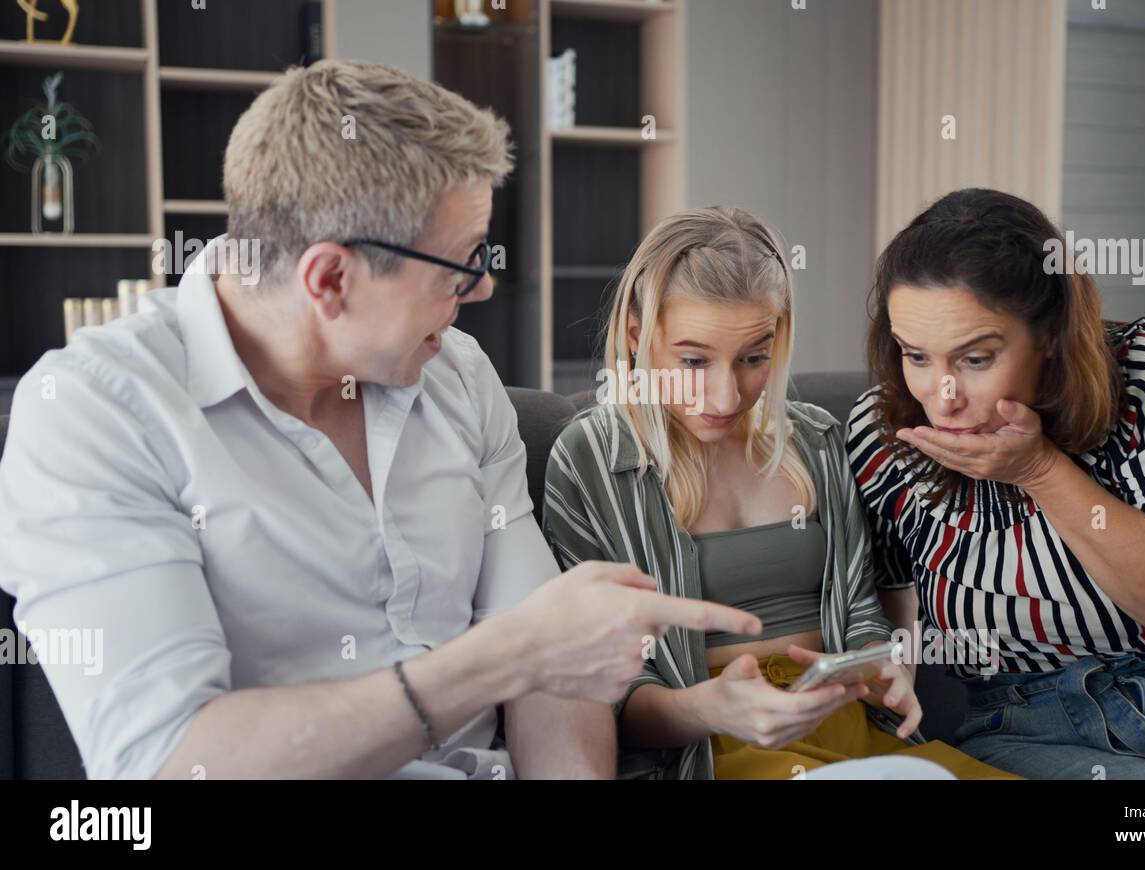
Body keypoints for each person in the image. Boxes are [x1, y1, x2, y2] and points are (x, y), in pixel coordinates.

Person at [0, 61, 757, 780]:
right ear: (329, 278)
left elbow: (551, 680)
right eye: (460, 265)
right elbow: (169, 761)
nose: (484, 287)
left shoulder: (456, 376)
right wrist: (507, 654)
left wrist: (536, 658)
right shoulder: (98, 414)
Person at [543, 206, 1015, 779]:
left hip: (853, 732)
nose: (724, 397)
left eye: (754, 358)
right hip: (714, 750)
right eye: (693, 360)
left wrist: (887, 670)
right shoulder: (592, 458)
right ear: (640, 337)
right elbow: (602, 693)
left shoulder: (815, 440)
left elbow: (863, 612)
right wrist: (710, 708)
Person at [847, 187, 1145, 779]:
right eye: (916, 355)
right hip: (1017, 722)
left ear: (1051, 335)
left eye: (975, 358)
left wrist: (1039, 470)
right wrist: (894, 688)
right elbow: (888, 597)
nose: (942, 395)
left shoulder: (1144, 377)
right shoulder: (883, 427)